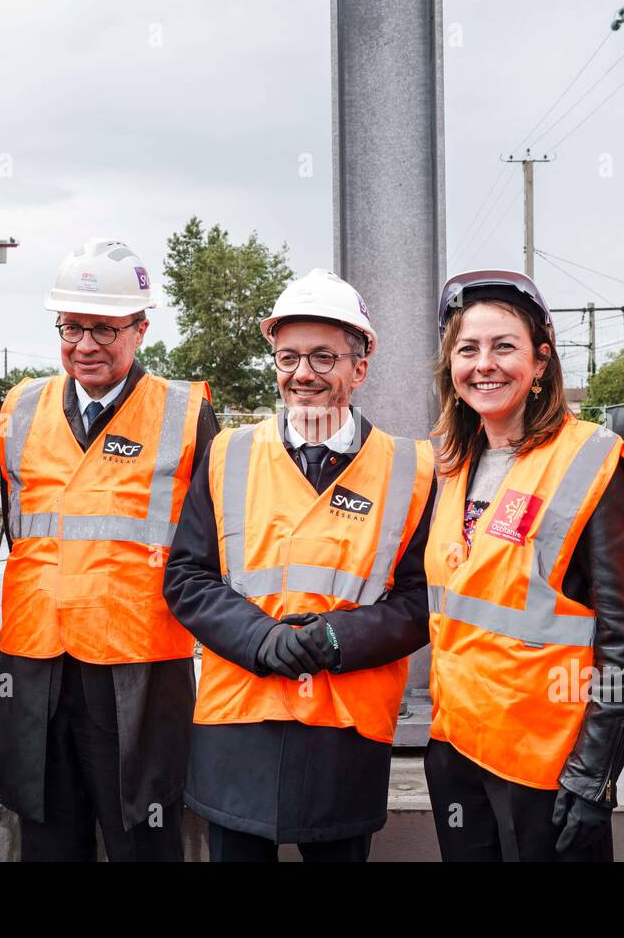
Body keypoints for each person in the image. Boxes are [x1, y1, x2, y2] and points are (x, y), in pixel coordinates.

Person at [163, 269, 435, 861]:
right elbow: (186, 577)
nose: (303, 374)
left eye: (322, 357)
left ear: (358, 368)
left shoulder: (412, 469)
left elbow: (423, 599)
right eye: (288, 357)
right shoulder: (227, 454)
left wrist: (335, 638)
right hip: (239, 716)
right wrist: (261, 640)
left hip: (346, 724)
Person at [0, 240, 216, 861]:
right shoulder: (21, 407)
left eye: (104, 329)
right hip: (34, 663)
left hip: (139, 663)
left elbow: (210, 548)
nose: (85, 345)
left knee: (144, 832)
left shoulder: (185, 414)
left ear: (139, 328)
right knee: (48, 836)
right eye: (72, 327)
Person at [423, 270, 624, 861]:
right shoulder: (448, 466)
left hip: (547, 766)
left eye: (505, 347)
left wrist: (595, 770)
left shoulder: (590, 461)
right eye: (467, 349)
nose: (484, 365)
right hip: (455, 751)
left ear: (541, 361)